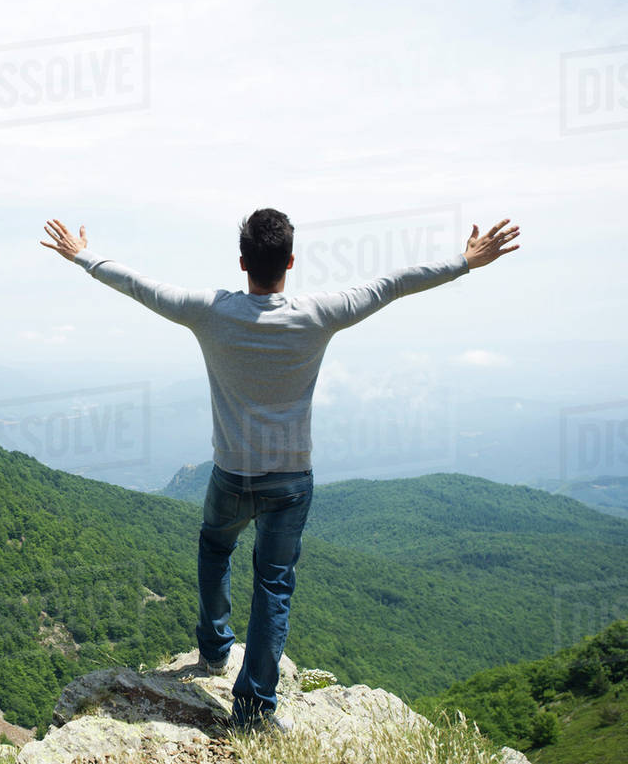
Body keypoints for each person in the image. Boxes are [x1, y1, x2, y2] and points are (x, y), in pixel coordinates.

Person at [39, 210, 520, 733]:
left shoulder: (210, 311)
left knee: (214, 547)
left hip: (229, 474)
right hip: (290, 482)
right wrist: (464, 262)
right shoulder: (319, 313)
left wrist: (83, 256)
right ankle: (252, 709)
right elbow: (394, 284)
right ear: (290, 261)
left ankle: (215, 648)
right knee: (273, 587)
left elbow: (138, 284)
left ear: (242, 262)